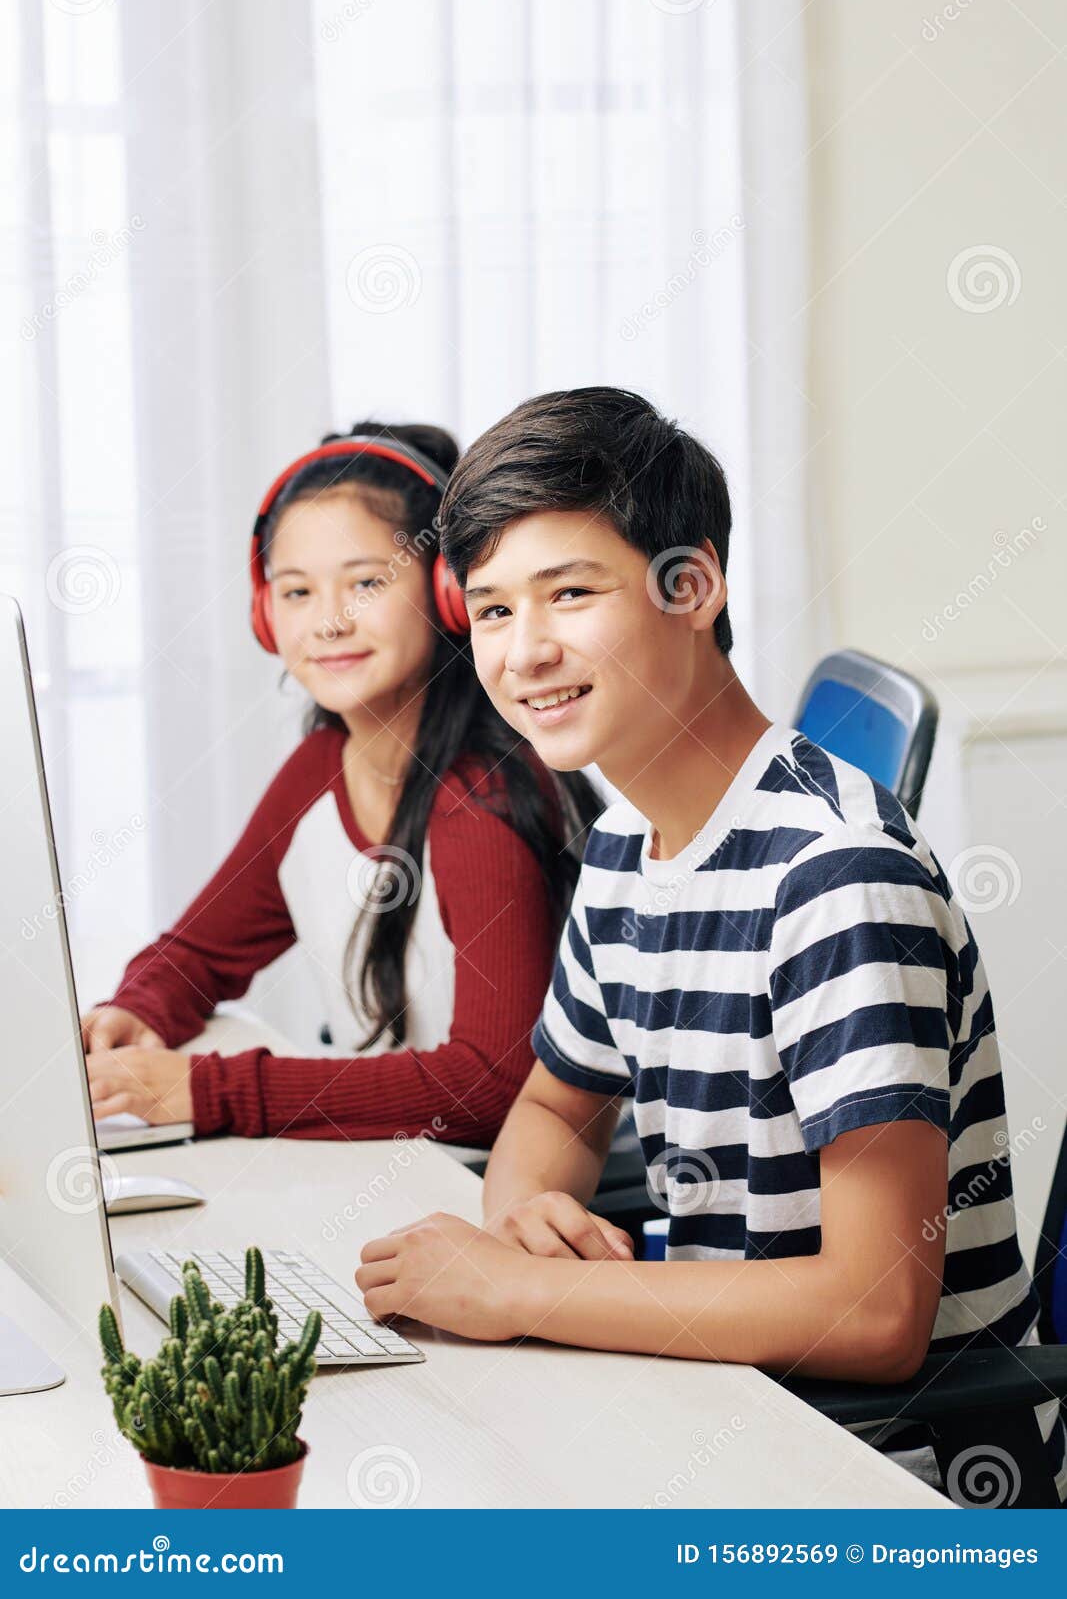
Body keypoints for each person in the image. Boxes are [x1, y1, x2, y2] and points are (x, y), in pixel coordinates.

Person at [355, 386, 1065, 1502]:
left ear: (692, 585)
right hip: (716, 1412)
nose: (524, 649)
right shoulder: (631, 839)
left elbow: (877, 1312)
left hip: (885, 1469)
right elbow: (553, 1107)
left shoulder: (834, 878)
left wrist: (515, 1294)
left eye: (569, 593)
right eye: (491, 611)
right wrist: (522, 1213)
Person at [82, 422, 601, 1143]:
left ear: (449, 589)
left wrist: (208, 1090)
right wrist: (140, 1008)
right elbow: (203, 952)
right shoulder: (321, 768)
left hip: (513, 1197)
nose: (329, 622)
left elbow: (489, 1086)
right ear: (266, 615)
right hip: (408, 1171)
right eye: (295, 592)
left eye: (365, 582)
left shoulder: (482, 795)